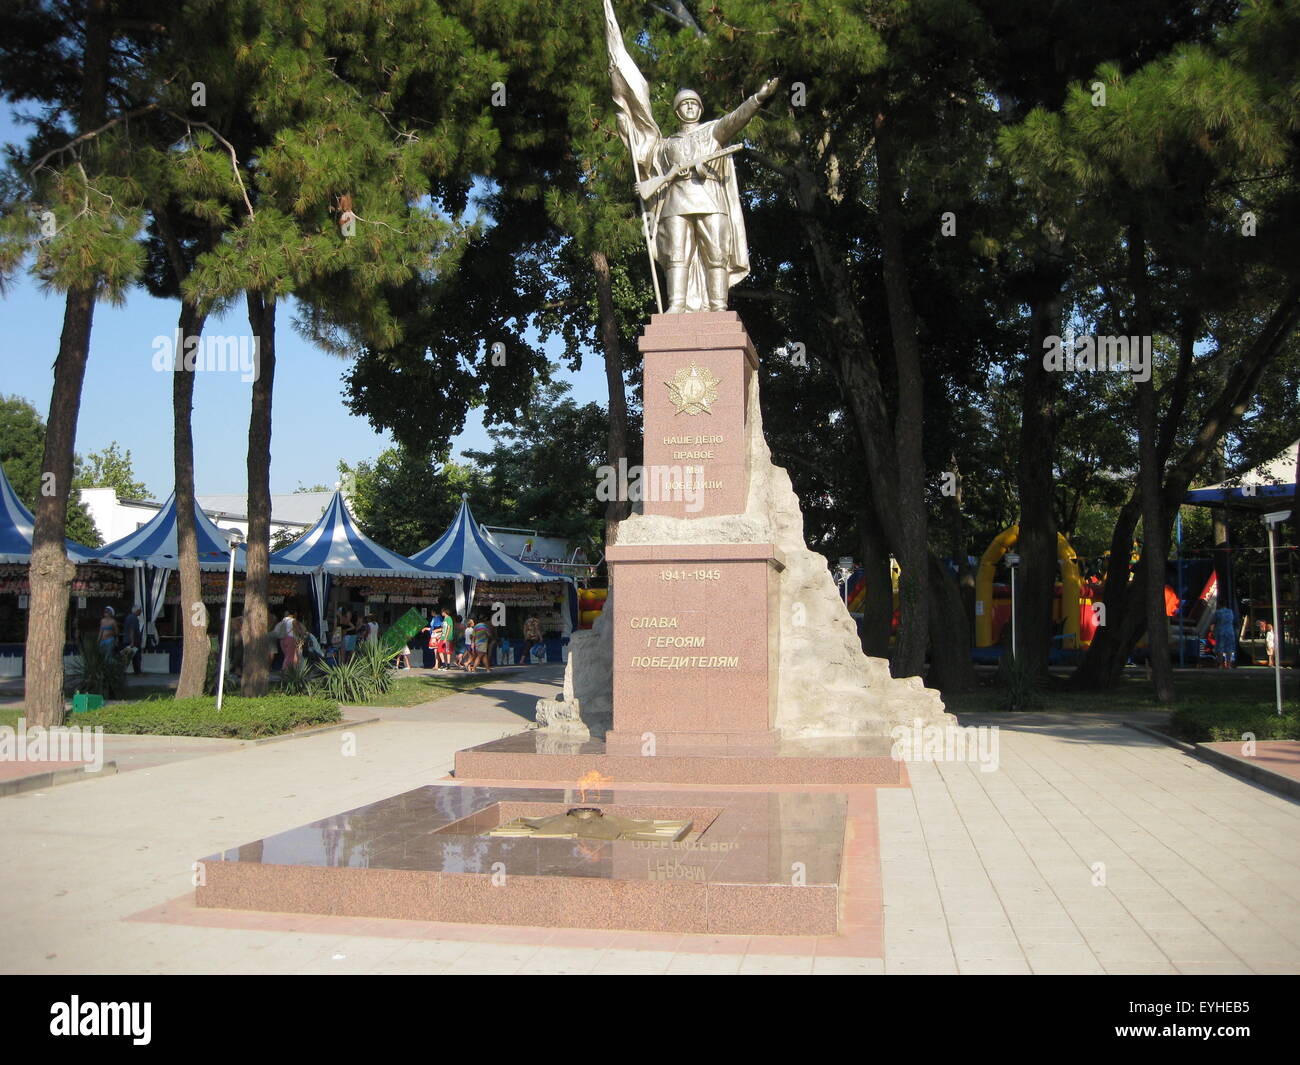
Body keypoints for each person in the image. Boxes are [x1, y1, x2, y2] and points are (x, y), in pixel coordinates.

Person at [1212, 603, 1238, 669]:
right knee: (1229, 648)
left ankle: (1221, 664)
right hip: (1230, 631)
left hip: (1220, 631)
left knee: (1220, 648)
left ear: (1219, 605)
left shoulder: (1218, 612)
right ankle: (1228, 665)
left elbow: (1214, 621)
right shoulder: (1230, 612)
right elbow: (1233, 620)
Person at [124, 606, 143, 675]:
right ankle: (137, 672)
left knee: (128, 657)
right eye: (140, 610)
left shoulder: (129, 617)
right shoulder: (133, 618)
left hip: (128, 640)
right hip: (133, 641)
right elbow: (132, 630)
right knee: (136, 658)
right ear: (137, 611)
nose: (141, 612)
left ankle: (136, 672)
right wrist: (132, 641)